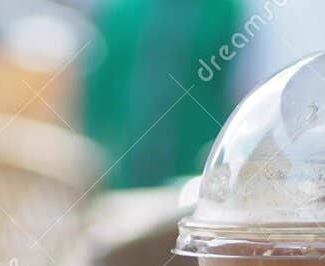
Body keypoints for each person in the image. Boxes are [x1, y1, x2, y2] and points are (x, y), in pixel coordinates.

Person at [82, 0, 242, 188]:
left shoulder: (228, 11)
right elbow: (97, 99)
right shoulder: (118, 11)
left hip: (195, 183)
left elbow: (240, 93)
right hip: (120, 182)